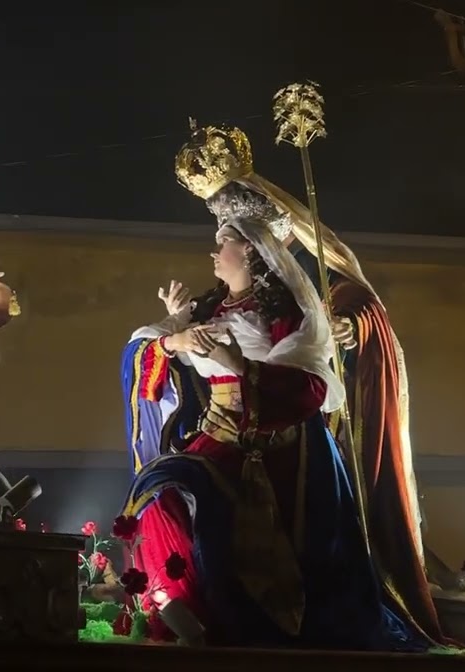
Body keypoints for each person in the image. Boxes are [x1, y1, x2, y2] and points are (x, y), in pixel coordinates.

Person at [184, 125, 445, 644]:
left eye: (229, 235)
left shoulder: (308, 267)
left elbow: (354, 303)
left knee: (308, 536)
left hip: (299, 420)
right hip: (236, 420)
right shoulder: (223, 292)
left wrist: (349, 325)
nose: (219, 246)